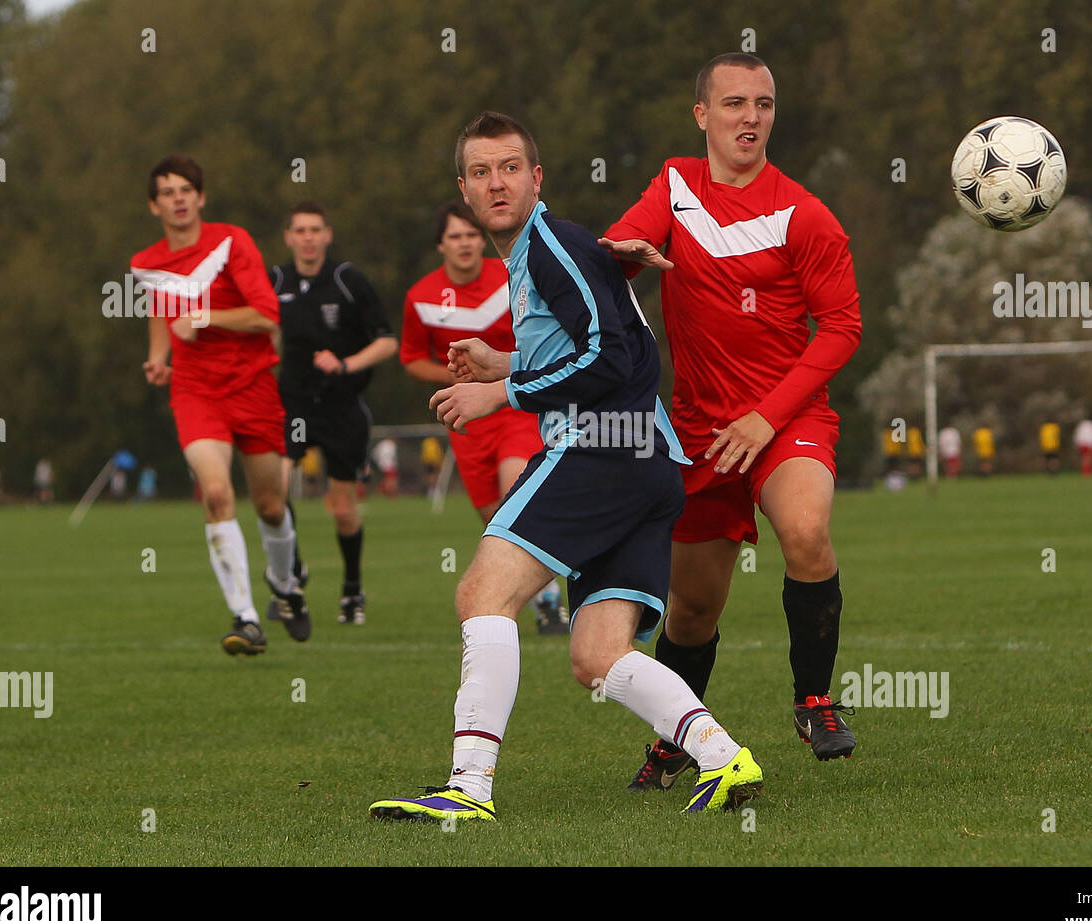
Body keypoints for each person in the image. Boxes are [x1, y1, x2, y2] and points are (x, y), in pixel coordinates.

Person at [368, 111, 762, 822]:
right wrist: (507, 360)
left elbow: (612, 359)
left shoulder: (551, 245)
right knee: (597, 653)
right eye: (482, 172)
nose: (497, 183)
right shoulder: (539, 252)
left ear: (536, 176)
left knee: (482, 594)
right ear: (464, 188)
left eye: (510, 168)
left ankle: (469, 788)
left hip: (599, 449)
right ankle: (723, 757)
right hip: (643, 461)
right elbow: (599, 349)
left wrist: (501, 390)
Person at [601, 53, 862, 789]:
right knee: (691, 609)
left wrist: (766, 416)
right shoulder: (675, 185)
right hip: (698, 432)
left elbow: (842, 327)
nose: (751, 116)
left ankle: (813, 701)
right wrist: (616, 257)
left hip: (788, 419)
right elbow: (621, 248)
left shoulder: (805, 214)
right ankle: (676, 736)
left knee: (806, 534)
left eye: (765, 104)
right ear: (702, 115)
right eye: (736, 103)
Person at [131, 154, 308, 655]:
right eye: (167, 191)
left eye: (186, 189)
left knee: (272, 506)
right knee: (215, 494)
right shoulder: (146, 263)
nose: (178, 198)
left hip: (252, 386)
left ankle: (285, 584)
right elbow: (161, 309)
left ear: (201, 197)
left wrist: (205, 316)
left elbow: (266, 315)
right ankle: (247, 619)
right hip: (195, 391)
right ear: (153, 205)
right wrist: (158, 356)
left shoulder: (233, 241)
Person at [401, 199, 568, 635]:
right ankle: (544, 595)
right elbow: (412, 358)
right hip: (468, 417)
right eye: (455, 236)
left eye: (472, 235)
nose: (465, 244)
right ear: (441, 245)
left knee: (515, 486)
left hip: (514, 402)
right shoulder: (420, 296)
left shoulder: (513, 274)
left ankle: (552, 603)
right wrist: (455, 376)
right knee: (495, 514)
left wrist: (503, 371)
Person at [269, 201, 397, 626]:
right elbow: (261, 333)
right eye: (300, 230)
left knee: (342, 509)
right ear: (288, 236)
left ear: (327, 235)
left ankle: (352, 591)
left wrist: (346, 365)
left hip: (342, 407)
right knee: (275, 489)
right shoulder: (275, 281)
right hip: (295, 406)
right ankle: (292, 571)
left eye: (315, 229)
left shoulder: (348, 280)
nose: (308, 237)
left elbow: (386, 342)